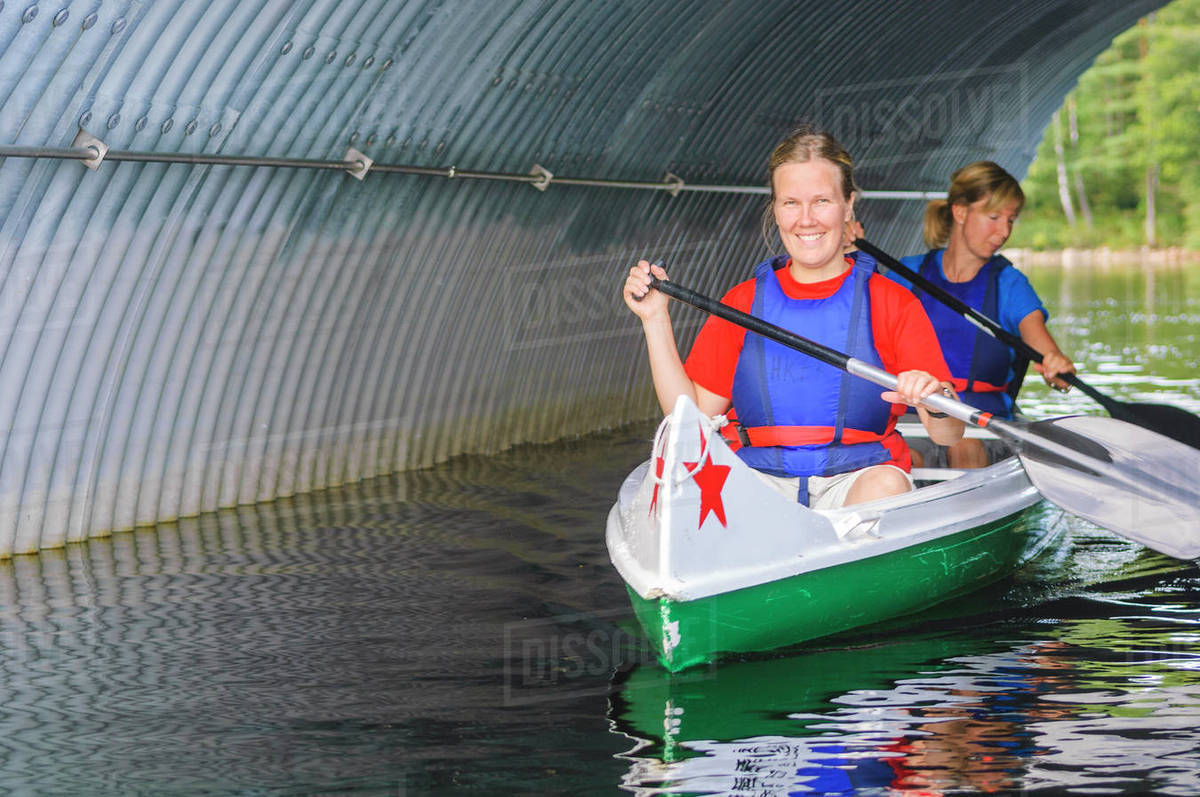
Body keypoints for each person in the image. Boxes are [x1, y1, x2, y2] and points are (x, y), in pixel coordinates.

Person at [622, 126, 963, 510]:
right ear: (775, 209)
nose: (806, 219)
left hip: (858, 481)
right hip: (759, 483)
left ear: (849, 205)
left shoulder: (892, 302)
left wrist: (934, 397)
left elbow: (948, 435)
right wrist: (655, 320)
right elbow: (691, 419)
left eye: (821, 201)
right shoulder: (742, 302)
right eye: (790, 203)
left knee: (887, 483)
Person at [891, 161, 1076, 469]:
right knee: (903, 459)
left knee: (965, 447)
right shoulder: (906, 274)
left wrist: (1056, 364)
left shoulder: (1009, 285)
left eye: (1011, 220)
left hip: (984, 426)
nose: (1004, 231)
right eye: (993, 217)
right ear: (961, 212)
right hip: (915, 421)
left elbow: (1044, 348)